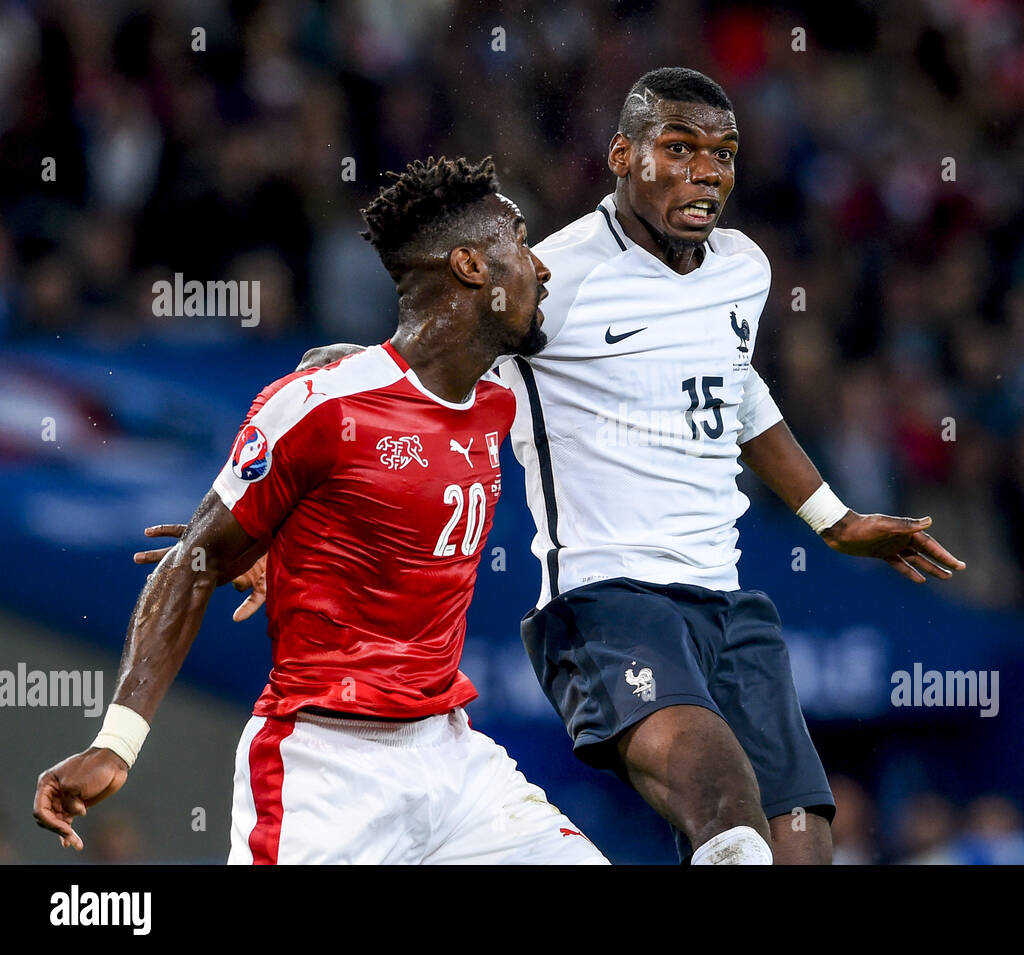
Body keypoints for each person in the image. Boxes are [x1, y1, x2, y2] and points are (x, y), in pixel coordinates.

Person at [171, 67, 965, 866]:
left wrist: (835, 518)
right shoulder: (554, 278)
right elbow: (396, 366)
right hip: (609, 603)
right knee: (729, 817)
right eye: (679, 149)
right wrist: (283, 519)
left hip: (727, 602)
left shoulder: (743, 268)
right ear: (623, 154)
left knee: (804, 847)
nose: (706, 173)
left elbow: (739, 388)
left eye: (722, 155)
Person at [33, 156, 607, 865]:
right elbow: (193, 564)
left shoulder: (496, 394)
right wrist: (115, 742)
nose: (540, 267)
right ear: (468, 265)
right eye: (521, 242)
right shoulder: (322, 408)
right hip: (325, 771)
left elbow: (356, 367)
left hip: (454, 760)